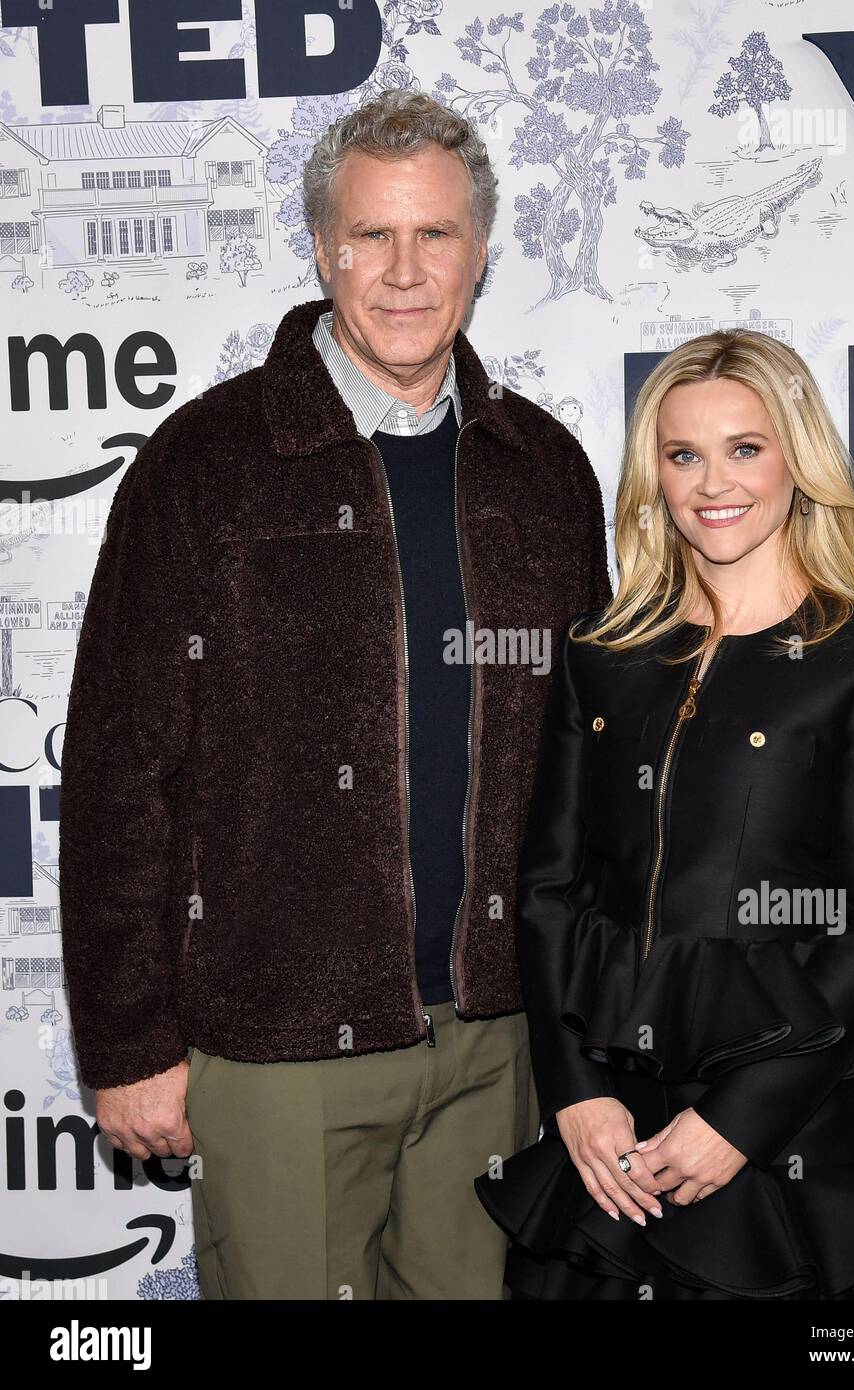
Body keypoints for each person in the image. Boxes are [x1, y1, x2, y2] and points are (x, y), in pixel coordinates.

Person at [57, 89, 612, 1300]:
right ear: (322, 247)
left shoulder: (546, 471)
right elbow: (115, 769)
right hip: (274, 1042)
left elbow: (589, 767)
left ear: (481, 249)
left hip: (496, 1041)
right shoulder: (206, 464)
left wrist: (591, 1030)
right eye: (371, 235)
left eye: (436, 236)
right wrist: (129, 1041)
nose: (403, 272)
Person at [474, 329, 854, 1300]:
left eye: (745, 446)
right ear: (652, 475)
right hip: (608, 1147)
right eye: (682, 453)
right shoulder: (598, 652)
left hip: (783, 1139)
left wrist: (740, 1122)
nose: (713, 482)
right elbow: (546, 893)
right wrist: (575, 1095)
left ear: (798, 459)